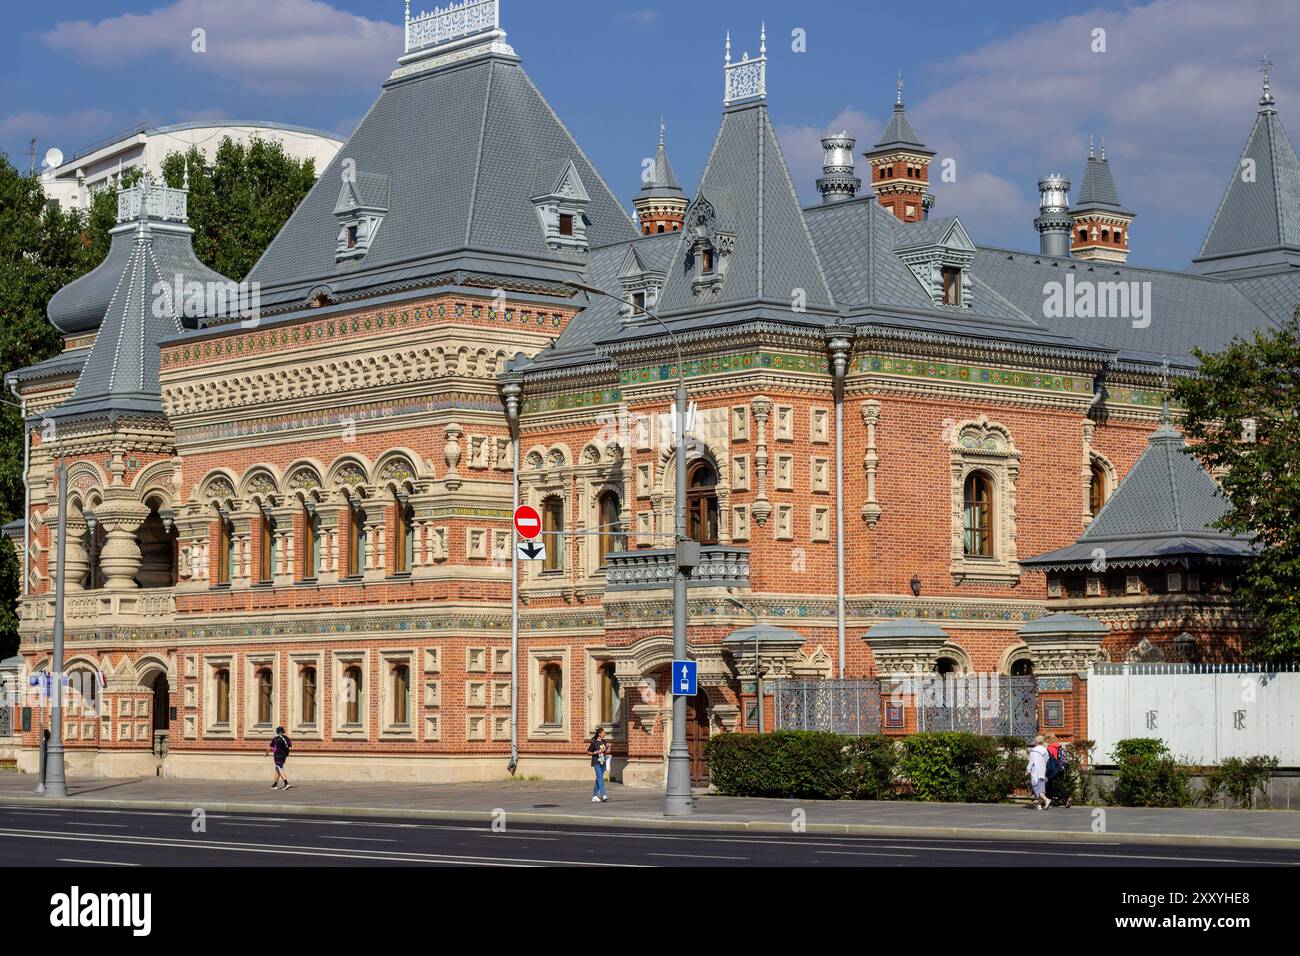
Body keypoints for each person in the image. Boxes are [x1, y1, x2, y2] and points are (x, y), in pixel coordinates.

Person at [1045, 734, 1072, 807]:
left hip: (1054, 769)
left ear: (1048, 740)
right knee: (1051, 784)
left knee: (1056, 785)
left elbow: (1048, 760)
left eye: (1046, 739)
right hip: (1061, 768)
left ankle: (1067, 798)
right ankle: (1049, 799)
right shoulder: (1059, 747)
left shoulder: (1050, 748)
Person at [1027, 734, 1050, 809]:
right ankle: (1039, 805)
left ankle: (1046, 800)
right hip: (1042, 770)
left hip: (1035, 771)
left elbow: (1031, 761)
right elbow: (1046, 760)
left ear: (1036, 741)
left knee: (1036, 788)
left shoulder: (1033, 750)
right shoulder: (1045, 750)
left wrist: (1028, 770)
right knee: (1041, 788)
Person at [587, 727, 608, 803]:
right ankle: (604, 795)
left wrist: (607, 748)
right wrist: (595, 752)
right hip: (596, 762)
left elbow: (605, 751)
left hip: (602, 762)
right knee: (600, 778)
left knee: (599, 779)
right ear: (599, 734)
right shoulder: (594, 742)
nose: (604, 734)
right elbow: (588, 752)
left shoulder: (604, 742)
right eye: (603, 733)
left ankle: (594, 796)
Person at [269, 726, 292, 790]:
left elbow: (270, 747)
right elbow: (290, 747)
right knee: (277, 768)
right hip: (284, 756)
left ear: (277, 732)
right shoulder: (287, 738)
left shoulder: (276, 739)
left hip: (277, 755)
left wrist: (267, 753)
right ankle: (275, 784)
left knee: (279, 768)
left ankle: (286, 783)